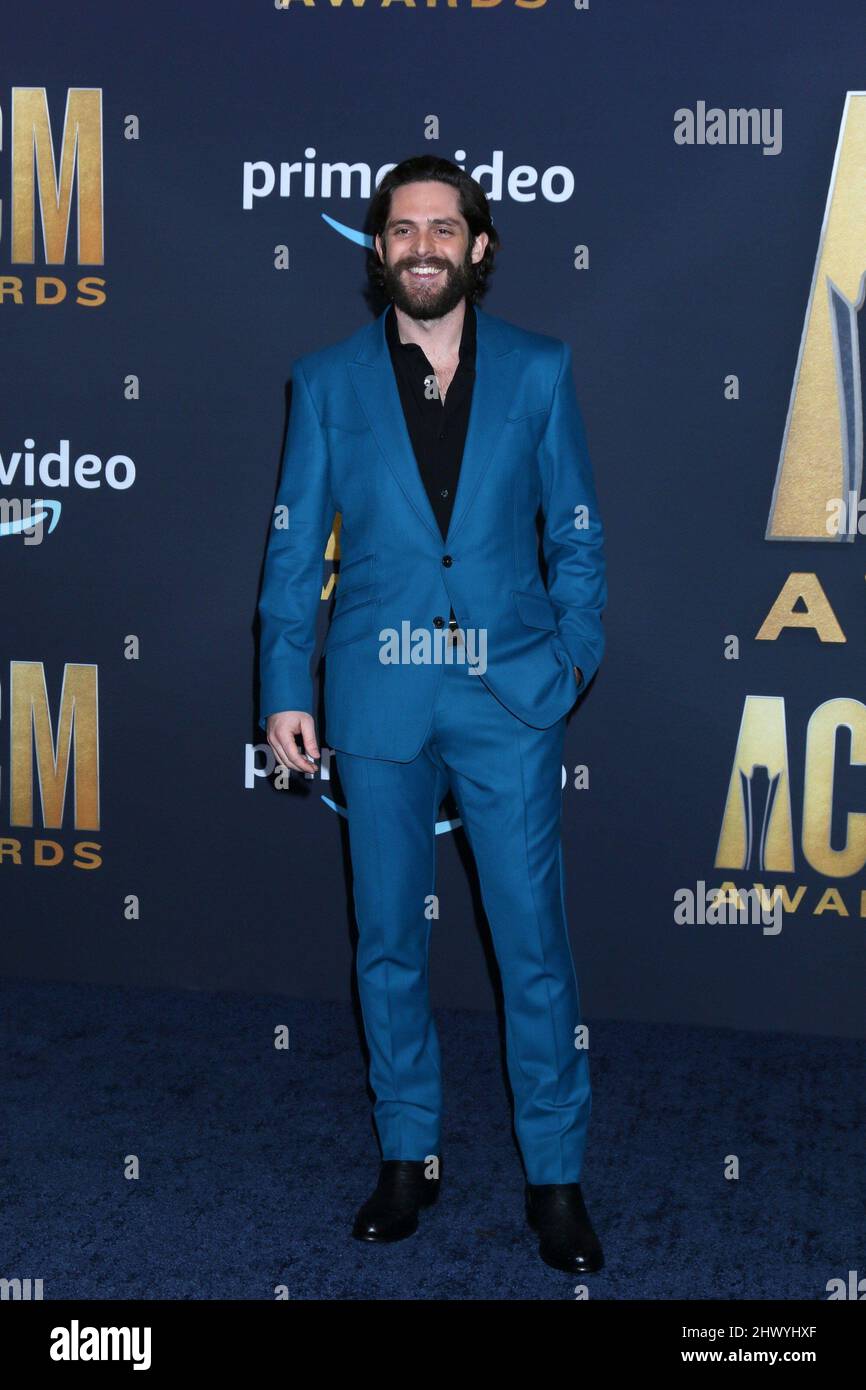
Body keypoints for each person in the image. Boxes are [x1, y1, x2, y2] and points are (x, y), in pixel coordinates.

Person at [258, 155, 607, 1274]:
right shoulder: (322, 382)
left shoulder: (542, 371)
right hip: (377, 699)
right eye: (401, 229)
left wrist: (565, 662)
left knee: (533, 952)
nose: (421, 245)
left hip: (508, 699)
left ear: (479, 246)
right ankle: (407, 1157)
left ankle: (554, 1178)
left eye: (441, 228)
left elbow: (577, 539)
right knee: (386, 945)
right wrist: (283, 687)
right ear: (377, 250)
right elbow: (289, 548)